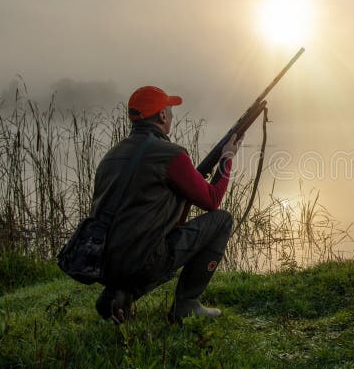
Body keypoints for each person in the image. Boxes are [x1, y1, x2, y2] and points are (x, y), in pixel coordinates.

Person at [91, 85, 242, 324]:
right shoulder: (170, 154)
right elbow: (212, 200)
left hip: (103, 263)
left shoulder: (112, 156)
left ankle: (117, 295)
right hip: (142, 260)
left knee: (159, 242)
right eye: (169, 111)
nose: (171, 116)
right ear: (162, 116)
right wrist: (227, 158)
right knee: (222, 220)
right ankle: (187, 304)